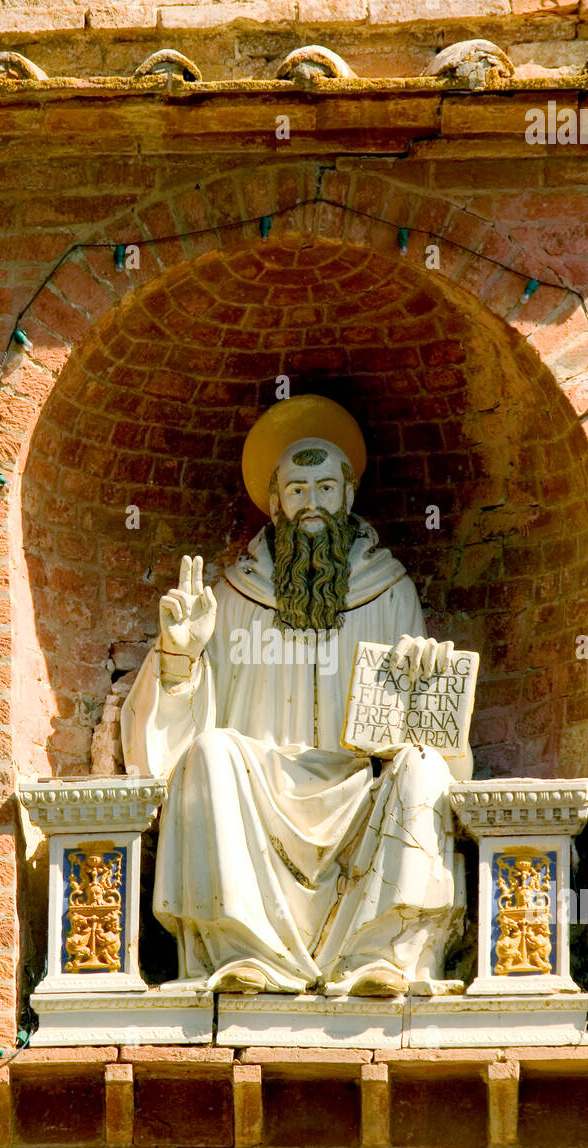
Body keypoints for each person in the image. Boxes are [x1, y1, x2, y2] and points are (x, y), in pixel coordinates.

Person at [121, 395, 472, 996]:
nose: (312, 503)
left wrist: (425, 677)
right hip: (260, 787)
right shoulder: (232, 596)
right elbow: (170, 748)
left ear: (349, 494)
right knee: (211, 754)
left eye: (325, 489)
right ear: (275, 502)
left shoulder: (390, 591)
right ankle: (242, 953)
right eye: (297, 490)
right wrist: (181, 654)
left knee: (422, 768)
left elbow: (434, 741)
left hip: (362, 787)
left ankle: (383, 956)